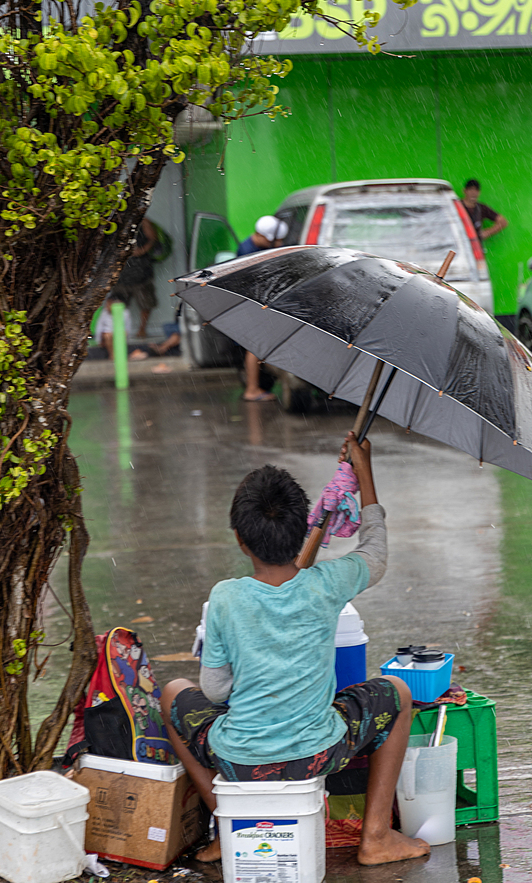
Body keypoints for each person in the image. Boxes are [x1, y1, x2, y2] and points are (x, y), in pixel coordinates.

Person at [160, 433, 430, 867]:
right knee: (397, 692)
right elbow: (374, 554)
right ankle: (376, 836)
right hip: (318, 756)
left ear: (239, 539)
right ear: (304, 527)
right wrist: (366, 477)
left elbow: (212, 692)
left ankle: (224, 824)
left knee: (173, 692)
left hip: (237, 762)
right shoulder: (326, 583)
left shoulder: (226, 597)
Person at [238, 215, 289, 400]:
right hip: (254, 303)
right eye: (277, 240)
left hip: (255, 302)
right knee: (254, 347)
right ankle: (252, 390)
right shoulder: (249, 252)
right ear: (265, 237)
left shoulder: (253, 246)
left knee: (256, 346)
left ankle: (254, 387)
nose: (280, 243)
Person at [114, 218, 159, 338]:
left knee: (145, 303)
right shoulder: (115, 220)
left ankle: (141, 330)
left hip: (141, 271)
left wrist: (141, 251)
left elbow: (153, 239)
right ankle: (119, 332)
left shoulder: (143, 220)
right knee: (117, 303)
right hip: (122, 272)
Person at [95, 293, 132, 358]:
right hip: (107, 334)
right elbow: (99, 327)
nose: (107, 305)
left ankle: (121, 355)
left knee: (122, 334)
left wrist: (127, 335)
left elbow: (128, 326)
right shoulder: (104, 313)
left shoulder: (125, 313)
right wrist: (98, 340)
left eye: (110, 303)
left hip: (119, 333)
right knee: (108, 336)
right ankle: (112, 354)